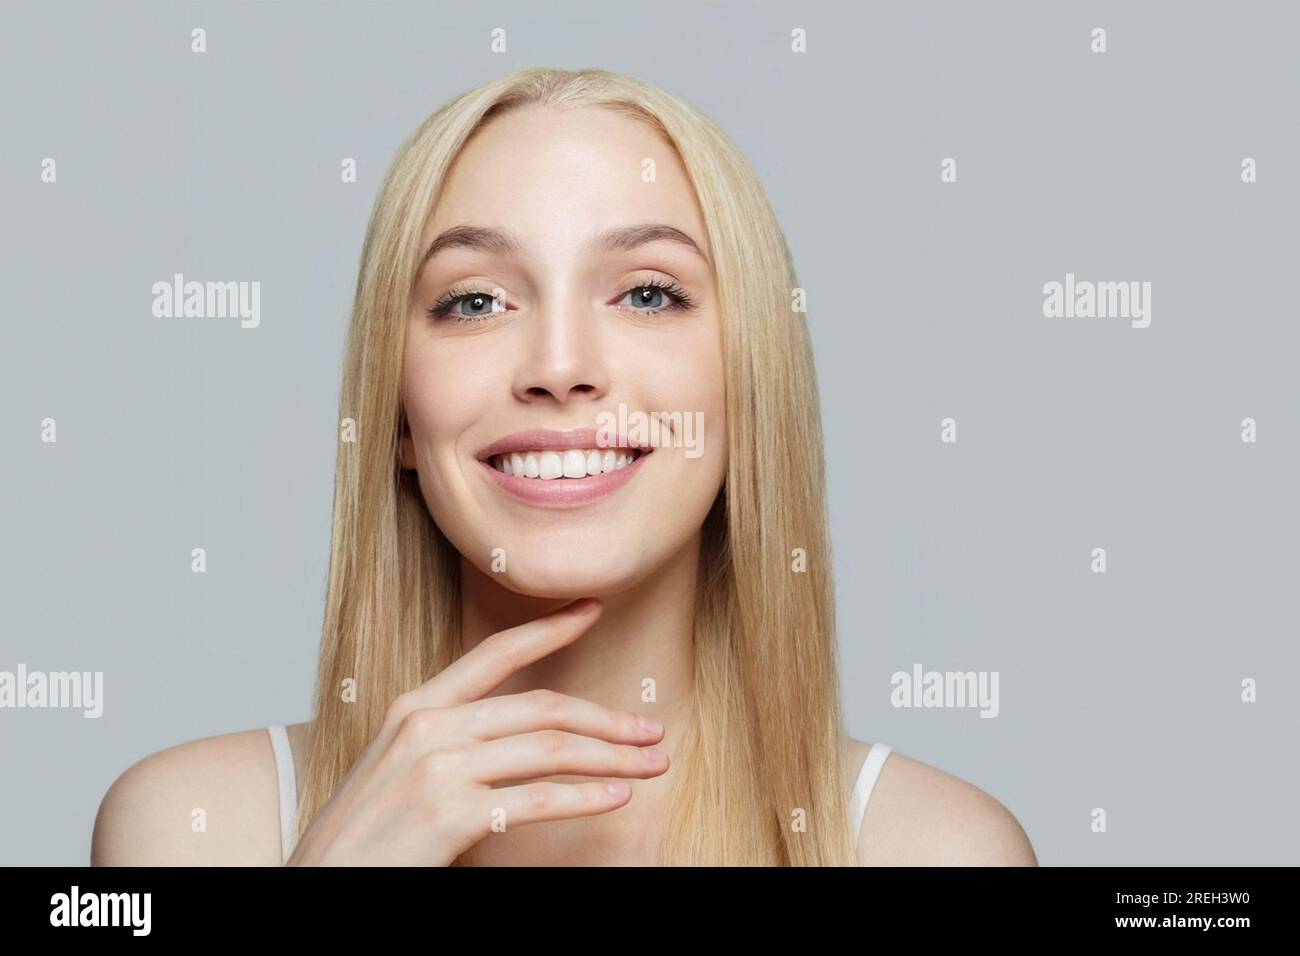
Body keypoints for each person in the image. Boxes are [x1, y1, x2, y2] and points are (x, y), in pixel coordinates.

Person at [92, 67, 1037, 866]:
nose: (557, 368)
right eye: (474, 302)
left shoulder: (937, 849)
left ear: (751, 389)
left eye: (648, 293)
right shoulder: (192, 830)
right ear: (398, 417)